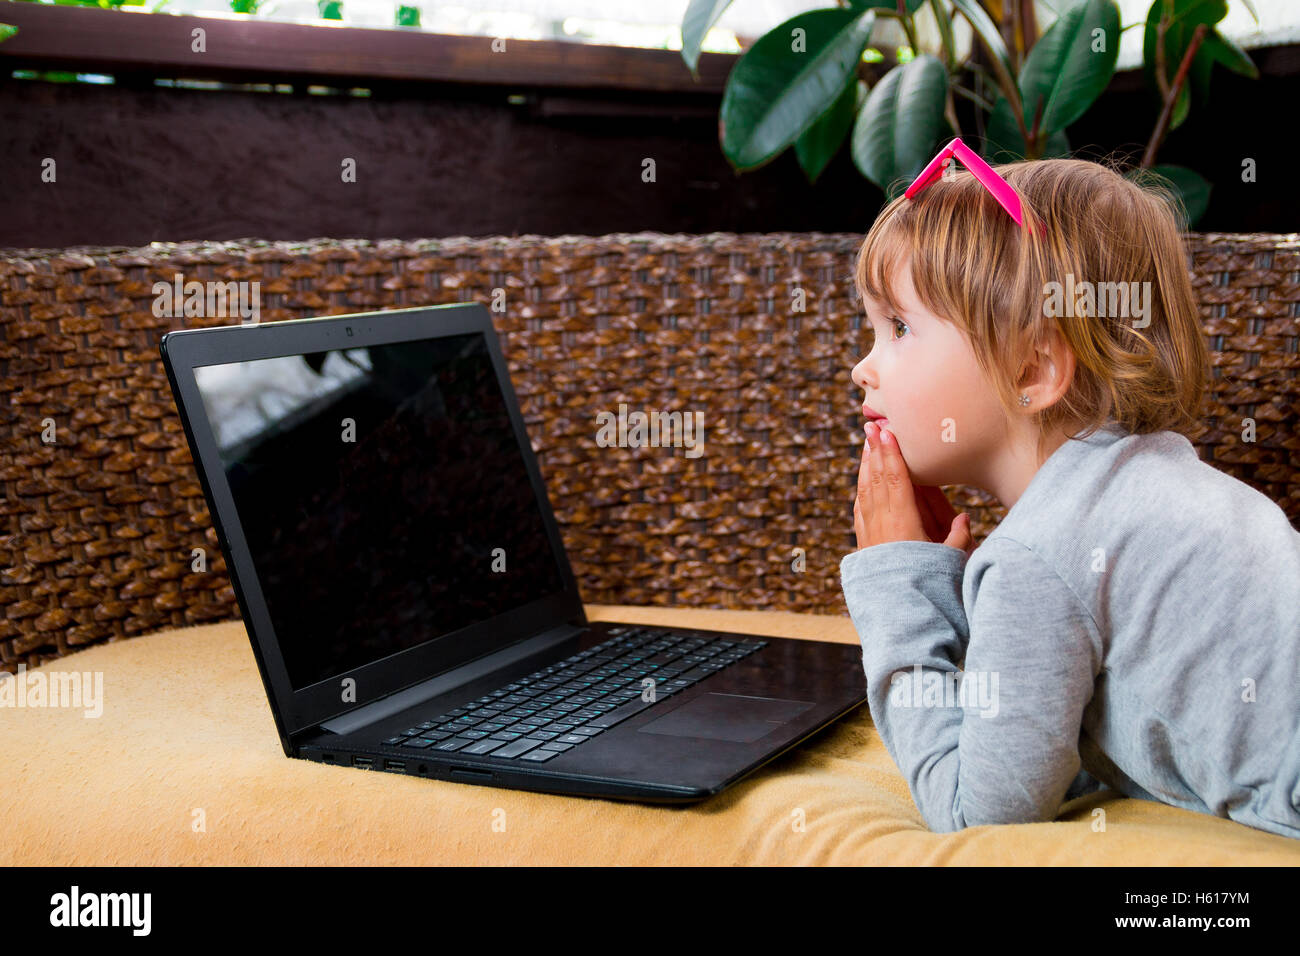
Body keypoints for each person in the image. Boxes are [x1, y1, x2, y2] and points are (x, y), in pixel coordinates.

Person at [839, 147, 1300, 838]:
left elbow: (979, 811)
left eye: (899, 328)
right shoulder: (1153, 484)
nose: (860, 368)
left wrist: (898, 587)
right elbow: (1042, 729)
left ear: (1033, 367)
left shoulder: (1042, 556)